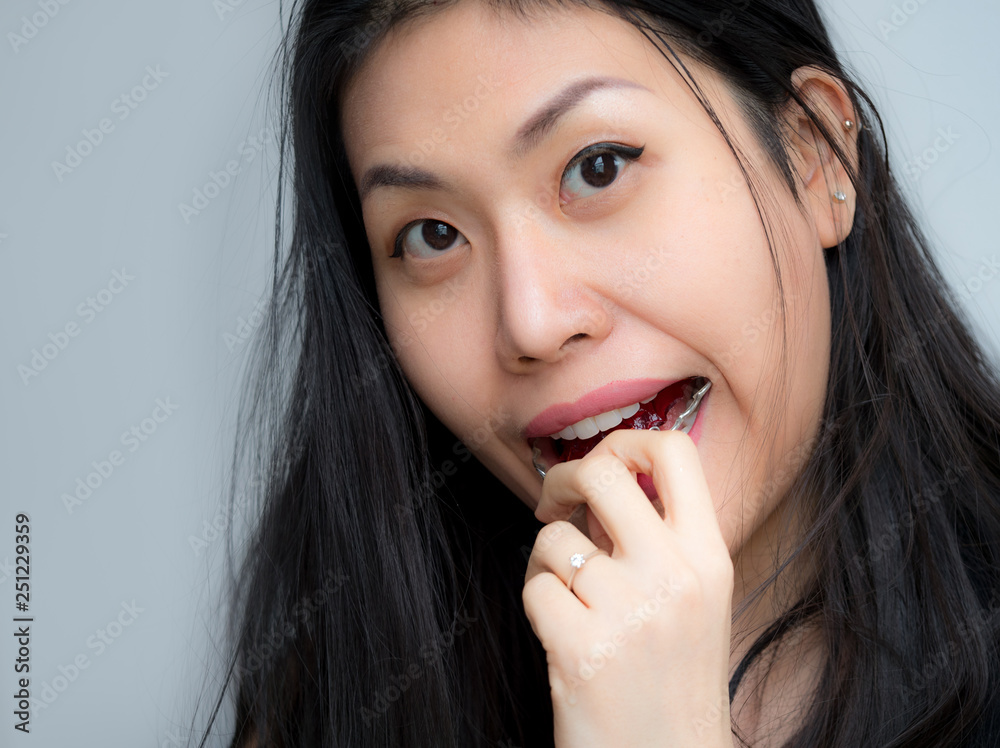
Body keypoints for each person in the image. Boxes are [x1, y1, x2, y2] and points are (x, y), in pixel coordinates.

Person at [194, 0, 1000, 745]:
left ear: (817, 155)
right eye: (432, 235)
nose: (531, 322)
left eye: (598, 167)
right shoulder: (334, 706)